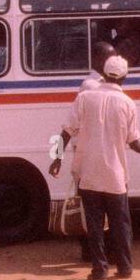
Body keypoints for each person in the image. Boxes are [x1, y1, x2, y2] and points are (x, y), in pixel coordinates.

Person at [50, 54, 140, 280]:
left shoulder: (84, 97)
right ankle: (125, 267)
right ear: (125, 77)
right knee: (121, 223)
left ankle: (99, 271)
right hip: (116, 175)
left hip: (88, 172)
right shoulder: (128, 103)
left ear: (104, 73)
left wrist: (56, 158)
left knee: (95, 225)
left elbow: (66, 131)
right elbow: (133, 141)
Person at [50, 41, 118, 263]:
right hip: (90, 157)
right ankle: (93, 252)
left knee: (93, 206)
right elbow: (69, 126)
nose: (113, 61)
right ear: (98, 61)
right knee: (92, 207)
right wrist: (57, 156)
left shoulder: (103, 83)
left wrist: (57, 157)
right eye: (109, 58)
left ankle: (95, 252)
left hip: (96, 155)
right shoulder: (91, 86)